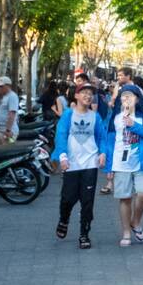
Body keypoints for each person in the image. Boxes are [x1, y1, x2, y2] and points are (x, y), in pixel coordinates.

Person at [53, 82, 107, 248]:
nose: (88, 96)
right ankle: (64, 218)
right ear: (76, 95)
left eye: (90, 93)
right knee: (68, 198)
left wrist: (103, 153)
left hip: (90, 162)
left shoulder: (95, 116)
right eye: (84, 92)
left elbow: (102, 137)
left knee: (87, 200)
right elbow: (60, 135)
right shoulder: (68, 115)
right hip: (72, 163)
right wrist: (62, 157)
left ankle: (84, 234)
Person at [103, 84, 143, 247]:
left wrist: (134, 125)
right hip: (121, 163)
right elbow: (110, 141)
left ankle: (136, 222)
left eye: (130, 96)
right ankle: (126, 231)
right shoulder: (115, 117)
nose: (126, 99)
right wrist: (109, 167)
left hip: (141, 162)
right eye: (123, 96)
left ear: (137, 99)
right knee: (125, 198)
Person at [0, 75, 20, 145]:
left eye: (1, 86)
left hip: (6, 133)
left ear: (7, 86)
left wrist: (8, 130)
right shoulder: (3, 97)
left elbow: (12, 114)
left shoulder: (12, 96)